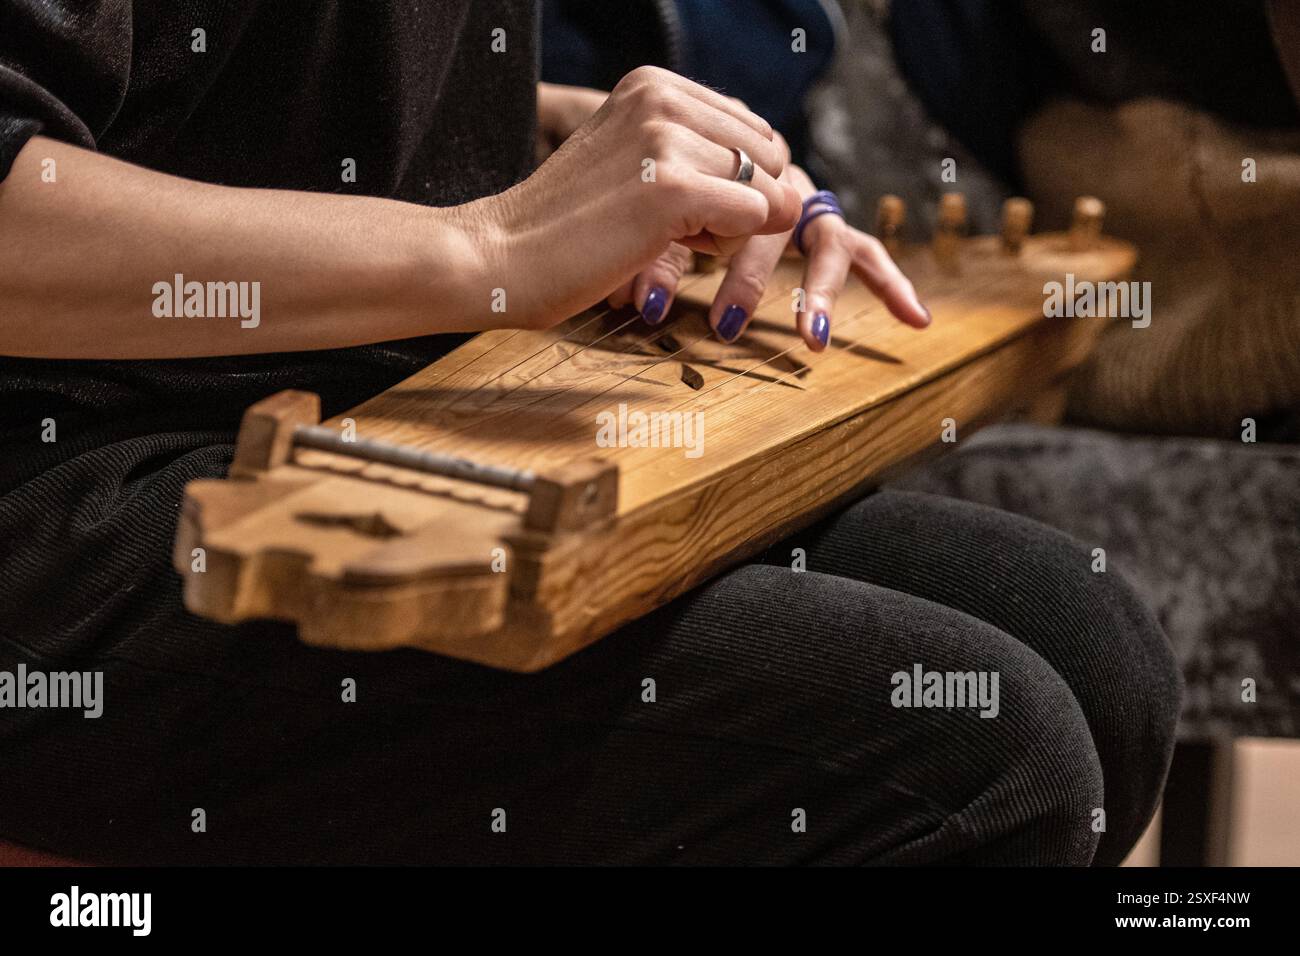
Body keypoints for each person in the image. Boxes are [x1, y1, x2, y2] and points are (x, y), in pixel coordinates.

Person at [0, 0, 1178, 864]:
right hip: (78, 496)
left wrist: (600, 156)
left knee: (1092, 646)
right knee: (983, 757)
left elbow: (234, 92)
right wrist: (488, 248)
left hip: (381, 405)